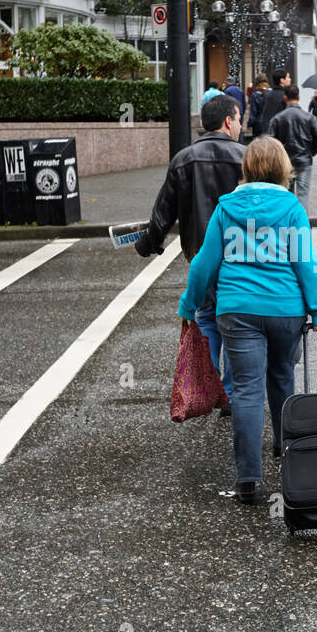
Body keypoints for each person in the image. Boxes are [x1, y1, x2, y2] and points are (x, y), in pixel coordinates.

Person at [179, 136, 317, 504]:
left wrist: (189, 305)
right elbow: (304, 264)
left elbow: (204, 263)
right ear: (283, 169)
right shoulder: (292, 207)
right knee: (282, 377)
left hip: (238, 310)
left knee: (247, 389)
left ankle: (248, 478)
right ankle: (286, 451)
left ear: (246, 168)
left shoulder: (226, 208)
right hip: (285, 309)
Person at [137, 94, 246, 410]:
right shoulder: (246, 157)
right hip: (240, 259)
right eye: (238, 118)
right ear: (228, 121)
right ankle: (231, 394)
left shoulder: (183, 159)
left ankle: (212, 391)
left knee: (209, 321)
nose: (240, 124)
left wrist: (148, 245)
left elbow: (163, 212)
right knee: (238, 325)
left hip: (200, 257)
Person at [267, 84, 317, 207]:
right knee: (303, 194)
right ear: (298, 97)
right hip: (304, 160)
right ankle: (302, 224)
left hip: (285, 162)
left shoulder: (277, 119)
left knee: (286, 195)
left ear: (285, 98)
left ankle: (287, 223)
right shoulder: (309, 118)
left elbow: (270, 141)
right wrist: (310, 152)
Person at [262, 69, 291, 134]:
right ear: (282, 80)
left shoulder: (267, 95)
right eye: (288, 77)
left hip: (268, 131)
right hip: (281, 132)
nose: (290, 79)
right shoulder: (286, 96)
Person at [247, 78, 269, 143]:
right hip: (268, 122)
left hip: (258, 123)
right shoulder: (271, 93)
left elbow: (253, 111)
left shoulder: (255, 95)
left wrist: (249, 125)